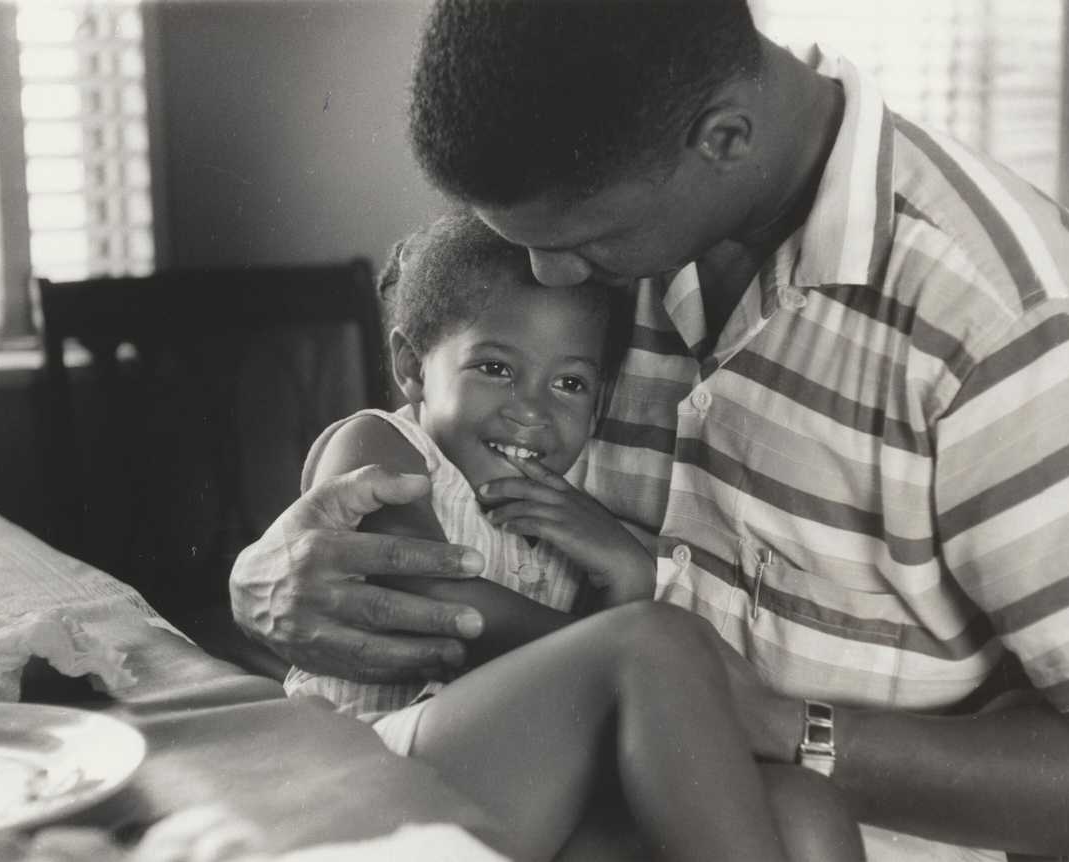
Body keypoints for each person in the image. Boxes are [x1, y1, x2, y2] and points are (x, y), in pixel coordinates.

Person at [231, 1, 1069, 859]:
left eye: (585, 242)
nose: (549, 274)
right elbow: (410, 464)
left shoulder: (1007, 321)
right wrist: (271, 574)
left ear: (725, 139)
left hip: (815, 830)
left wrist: (789, 728)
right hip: (552, 803)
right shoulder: (597, 196)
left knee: (804, 813)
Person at [281, 212, 863, 862]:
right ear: (413, 367)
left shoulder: (566, 518)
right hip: (371, 767)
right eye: (496, 368)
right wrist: (632, 635)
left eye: (570, 384)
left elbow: (595, 705)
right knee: (659, 639)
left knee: (805, 812)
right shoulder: (384, 442)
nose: (532, 409)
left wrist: (622, 577)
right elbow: (429, 597)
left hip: (515, 788)